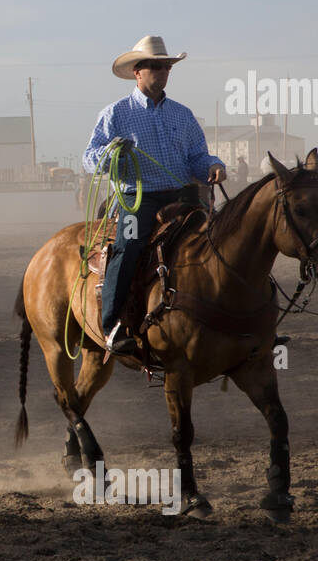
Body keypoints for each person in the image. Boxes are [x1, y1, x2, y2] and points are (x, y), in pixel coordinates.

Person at [82, 36, 226, 356]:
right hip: (137, 198)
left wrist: (214, 165)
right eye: (155, 67)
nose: (162, 72)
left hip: (182, 196)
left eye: (166, 67)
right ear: (138, 72)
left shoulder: (182, 115)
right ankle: (112, 326)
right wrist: (114, 154)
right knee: (129, 244)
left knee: (224, 238)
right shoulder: (116, 114)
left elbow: (197, 157)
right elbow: (90, 158)